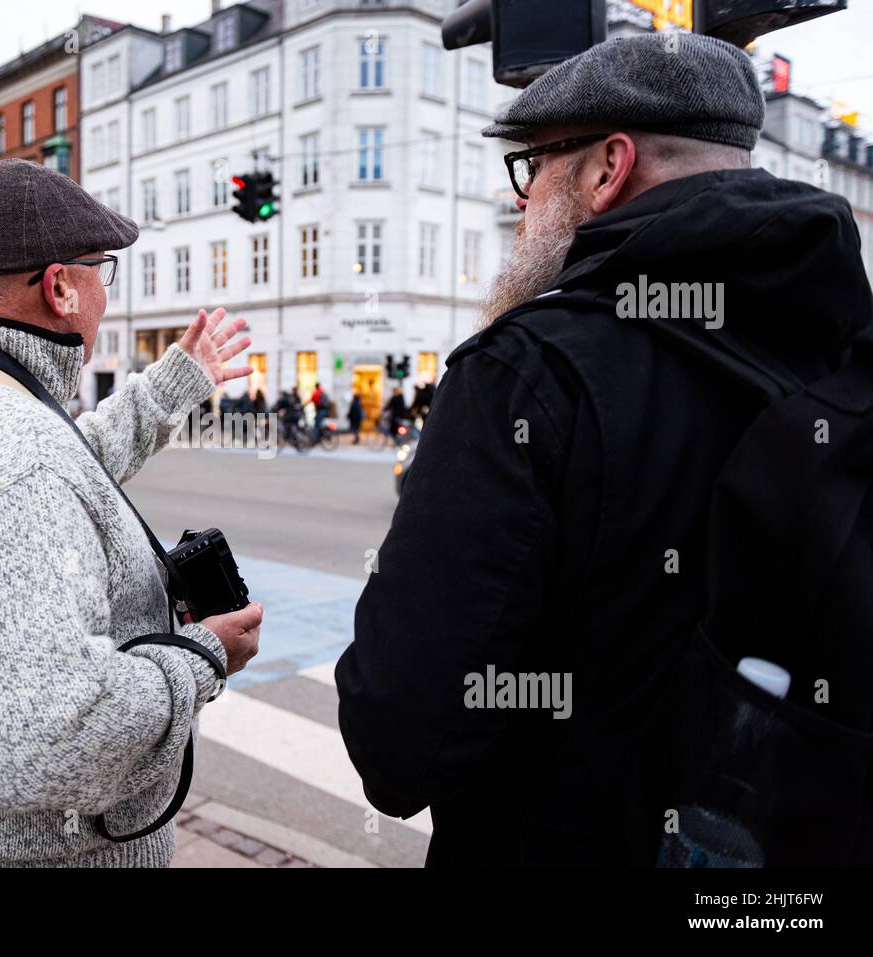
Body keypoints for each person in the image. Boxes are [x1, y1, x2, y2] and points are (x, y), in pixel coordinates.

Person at [337, 33, 873, 866]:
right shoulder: (849, 347)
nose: (523, 202)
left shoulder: (526, 372)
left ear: (605, 169)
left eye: (534, 167)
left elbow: (400, 739)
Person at [0, 158, 263, 868]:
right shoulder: (11, 450)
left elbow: (61, 469)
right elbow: (44, 739)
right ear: (61, 287)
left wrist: (167, 388)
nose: (107, 290)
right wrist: (201, 657)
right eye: (102, 268)